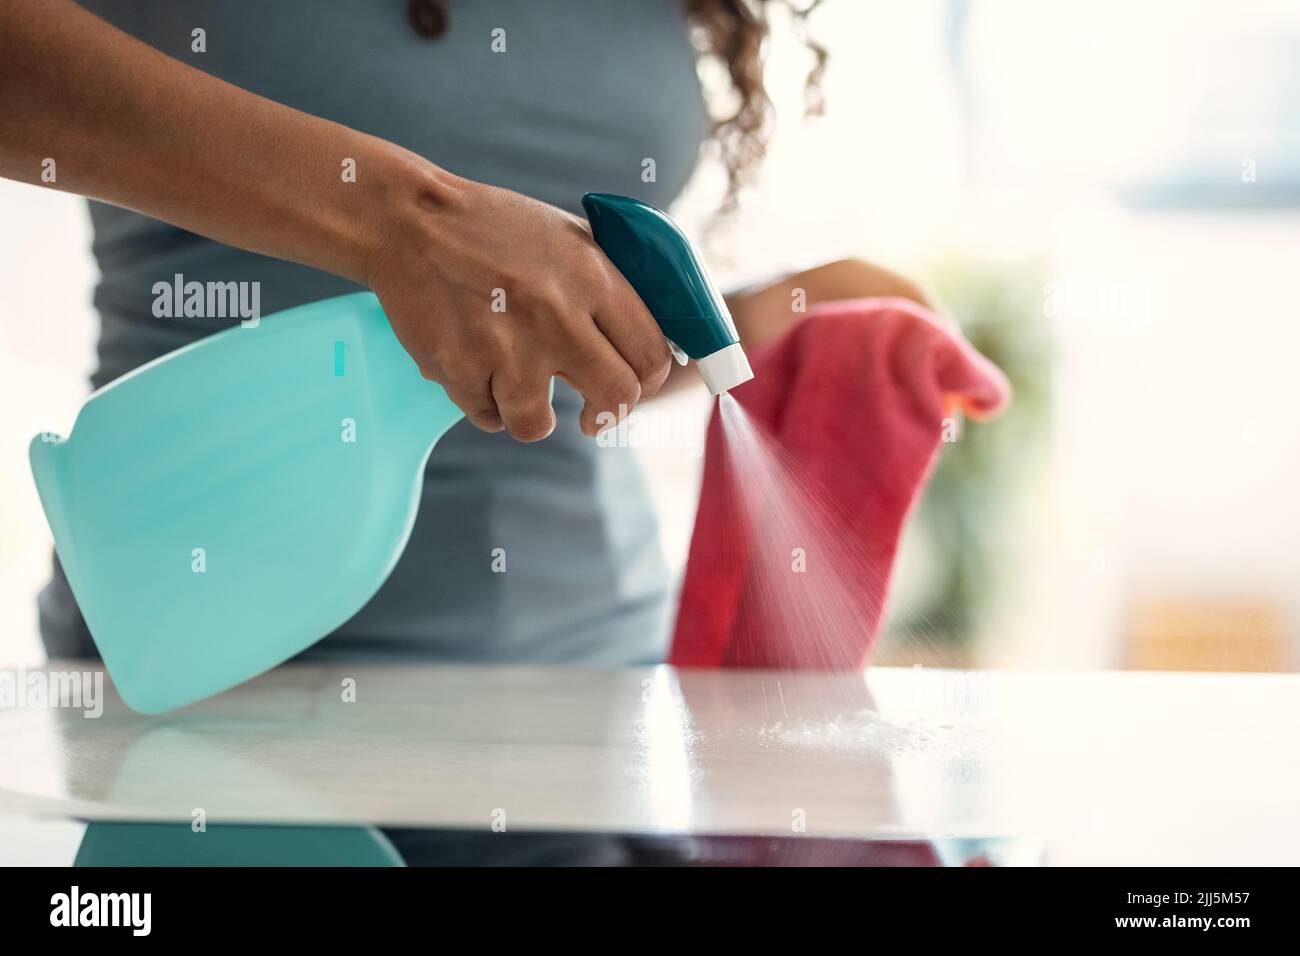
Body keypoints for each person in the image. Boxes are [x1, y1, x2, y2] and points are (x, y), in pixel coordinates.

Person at [0, 0, 928, 863]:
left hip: (585, 725)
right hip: (197, 708)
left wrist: (748, 320)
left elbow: (515, 348)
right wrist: (400, 218)